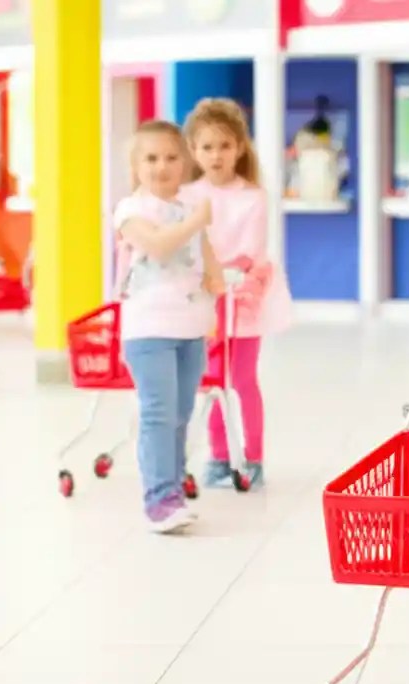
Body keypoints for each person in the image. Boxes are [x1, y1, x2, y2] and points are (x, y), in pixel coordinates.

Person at [113, 120, 224, 533]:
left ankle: (174, 488)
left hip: (190, 326)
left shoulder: (187, 210)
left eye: (172, 157)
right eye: (152, 158)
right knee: (158, 412)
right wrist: (198, 220)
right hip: (148, 328)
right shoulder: (130, 210)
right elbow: (159, 246)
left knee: (180, 412)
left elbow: (205, 251)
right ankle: (160, 499)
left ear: (185, 162)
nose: (162, 167)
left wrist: (216, 277)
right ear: (136, 165)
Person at [181, 98, 292, 490]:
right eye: (207, 147)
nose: (216, 156)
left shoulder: (253, 196)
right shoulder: (186, 195)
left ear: (240, 148)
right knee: (213, 381)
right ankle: (219, 455)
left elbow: (250, 251)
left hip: (243, 299)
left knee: (242, 378)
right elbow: (186, 244)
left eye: (225, 146)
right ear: (193, 150)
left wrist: (223, 270)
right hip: (204, 302)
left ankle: (254, 456)